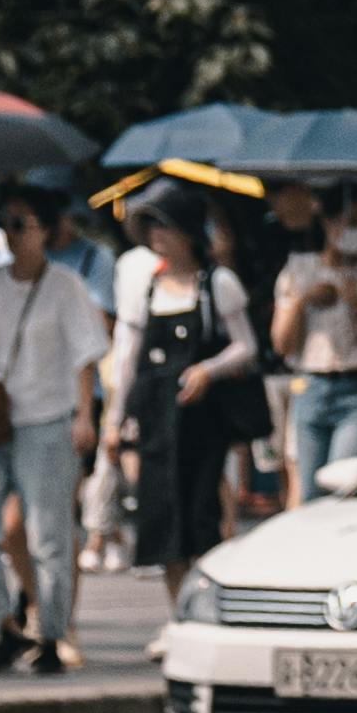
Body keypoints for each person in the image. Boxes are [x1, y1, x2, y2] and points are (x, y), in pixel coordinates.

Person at [0, 190, 111, 672]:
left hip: (48, 420)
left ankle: (50, 634)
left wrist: (85, 416)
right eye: (6, 223)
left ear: (46, 230)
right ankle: (7, 624)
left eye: (22, 223)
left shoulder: (66, 285)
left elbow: (87, 355)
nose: (12, 232)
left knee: (48, 537)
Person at [114, 201, 261, 575]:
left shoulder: (216, 283)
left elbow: (246, 345)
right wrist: (115, 418)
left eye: (166, 226)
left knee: (201, 512)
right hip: (156, 416)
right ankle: (176, 604)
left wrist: (208, 371)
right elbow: (129, 356)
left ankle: (208, 590)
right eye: (152, 228)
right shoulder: (147, 287)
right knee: (163, 518)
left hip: (202, 419)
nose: (158, 236)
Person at [270, 199, 357, 511]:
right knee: (309, 492)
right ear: (326, 223)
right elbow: (281, 344)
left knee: (343, 485)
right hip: (310, 384)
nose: (350, 231)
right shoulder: (298, 269)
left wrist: (356, 305)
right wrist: (302, 301)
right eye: (344, 222)